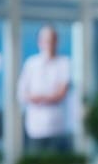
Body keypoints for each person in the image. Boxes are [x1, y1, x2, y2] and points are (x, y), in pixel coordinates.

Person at [17, 25, 72, 153]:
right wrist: (49, 96)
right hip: (35, 128)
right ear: (39, 42)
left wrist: (37, 97)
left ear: (56, 41)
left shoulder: (64, 63)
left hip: (57, 127)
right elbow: (22, 94)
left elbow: (60, 95)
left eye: (52, 40)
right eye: (45, 40)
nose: (49, 44)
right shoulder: (31, 64)